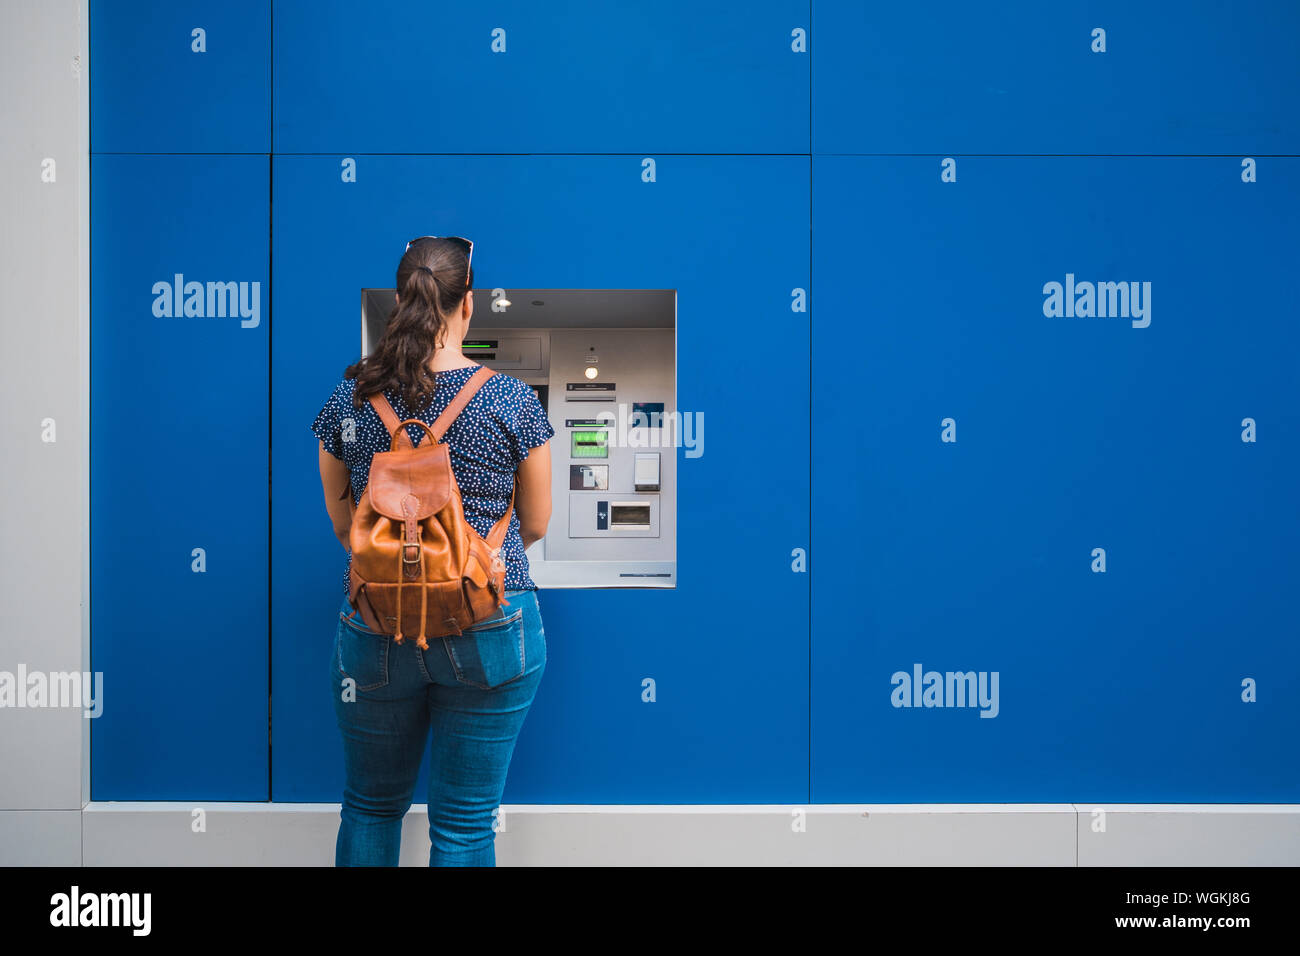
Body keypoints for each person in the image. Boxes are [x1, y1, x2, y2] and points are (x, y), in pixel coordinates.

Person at [310, 236, 553, 866]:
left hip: (375, 622)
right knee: (467, 824)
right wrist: (470, 561)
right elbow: (538, 520)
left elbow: (342, 522)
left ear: (400, 301)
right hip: (491, 620)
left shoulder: (351, 399)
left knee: (369, 805)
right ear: (468, 306)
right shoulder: (510, 400)